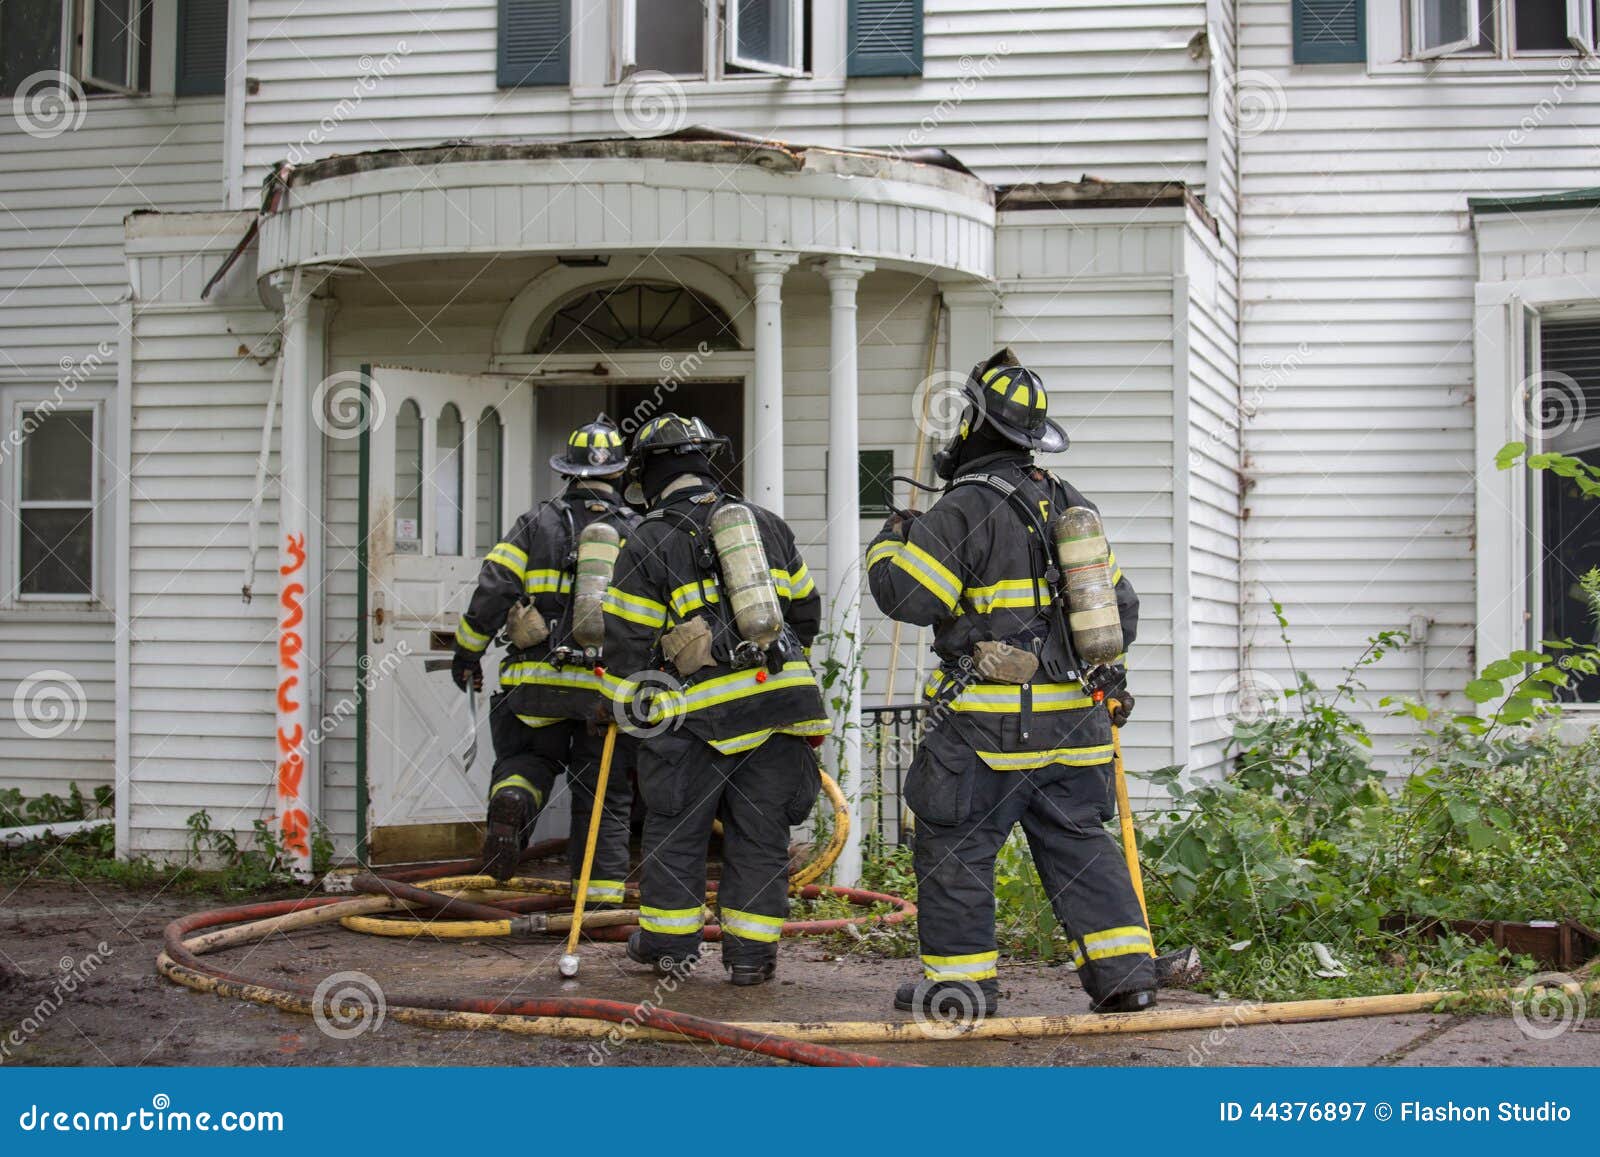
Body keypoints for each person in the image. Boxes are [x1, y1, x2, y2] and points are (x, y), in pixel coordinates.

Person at [866, 351, 1156, 1018]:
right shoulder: (1071, 503)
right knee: (1080, 843)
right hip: (1078, 728)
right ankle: (1127, 976)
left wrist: (891, 541)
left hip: (986, 733)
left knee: (956, 844)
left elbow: (910, 595)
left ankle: (963, 988)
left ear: (974, 422)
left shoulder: (966, 506)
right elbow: (1124, 612)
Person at [600, 414, 828, 986]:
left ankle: (672, 948)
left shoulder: (646, 540)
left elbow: (627, 646)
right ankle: (750, 958)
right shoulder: (768, 526)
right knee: (761, 835)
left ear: (648, 473)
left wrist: (624, 713)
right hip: (781, 709)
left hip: (695, 721)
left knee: (677, 829)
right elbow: (806, 614)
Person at [451, 416, 639, 894]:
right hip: (605, 690)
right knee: (602, 794)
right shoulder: (638, 530)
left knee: (527, 760)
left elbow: (492, 591)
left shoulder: (536, 523)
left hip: (536, 682)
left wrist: (467, 654)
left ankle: (513, 798)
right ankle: (597, 901)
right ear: (620, 474)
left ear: (568, 474)